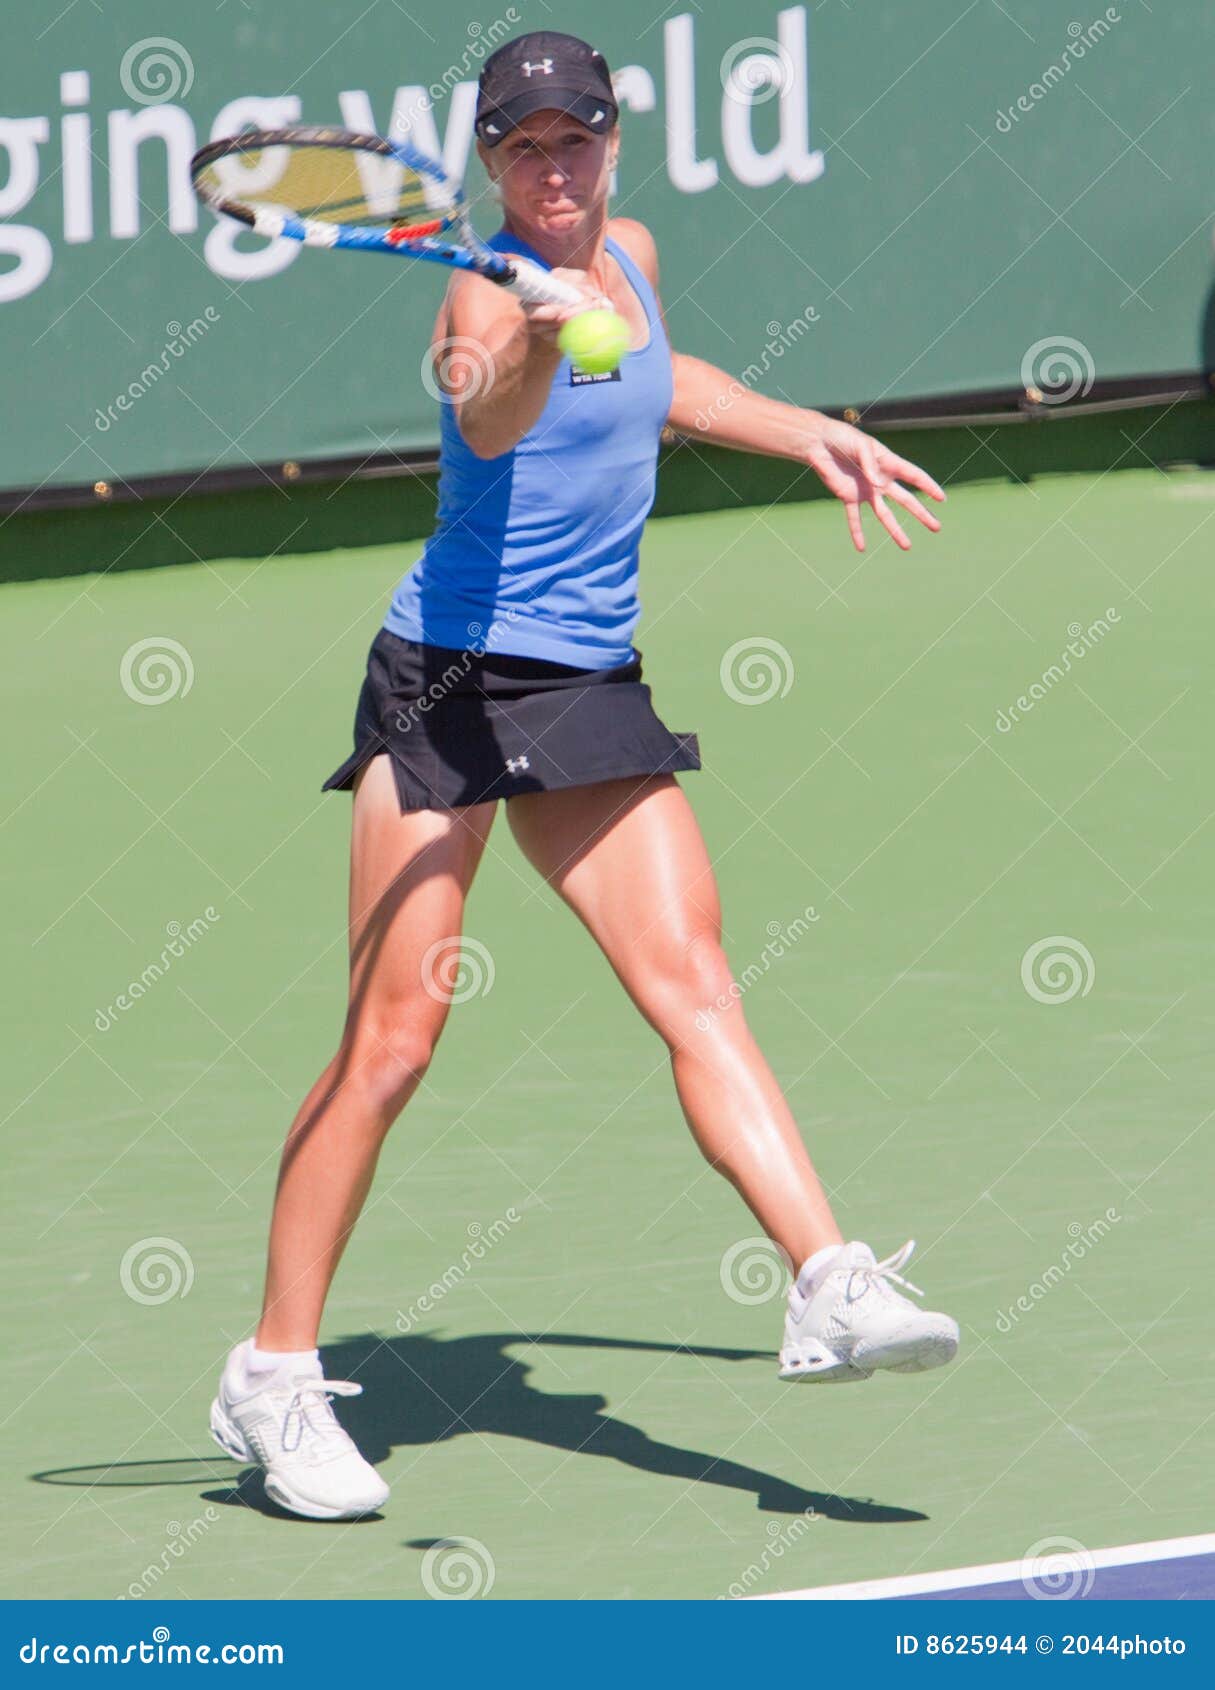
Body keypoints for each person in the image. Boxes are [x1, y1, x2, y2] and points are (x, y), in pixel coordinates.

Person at [210, 30, 958, 1522]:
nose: (555, 170)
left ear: (613, 142)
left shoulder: (631, 247)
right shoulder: (479, 300)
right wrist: (543, 329)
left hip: (587, 682)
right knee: (394, 1040)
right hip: (449, 683)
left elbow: (669, 384)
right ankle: (273, 1374)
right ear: (489, 164)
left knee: (694, 979)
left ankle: (826, 1277)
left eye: (578, 139)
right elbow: (484, 404)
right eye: (526, 147)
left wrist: (802, 427)